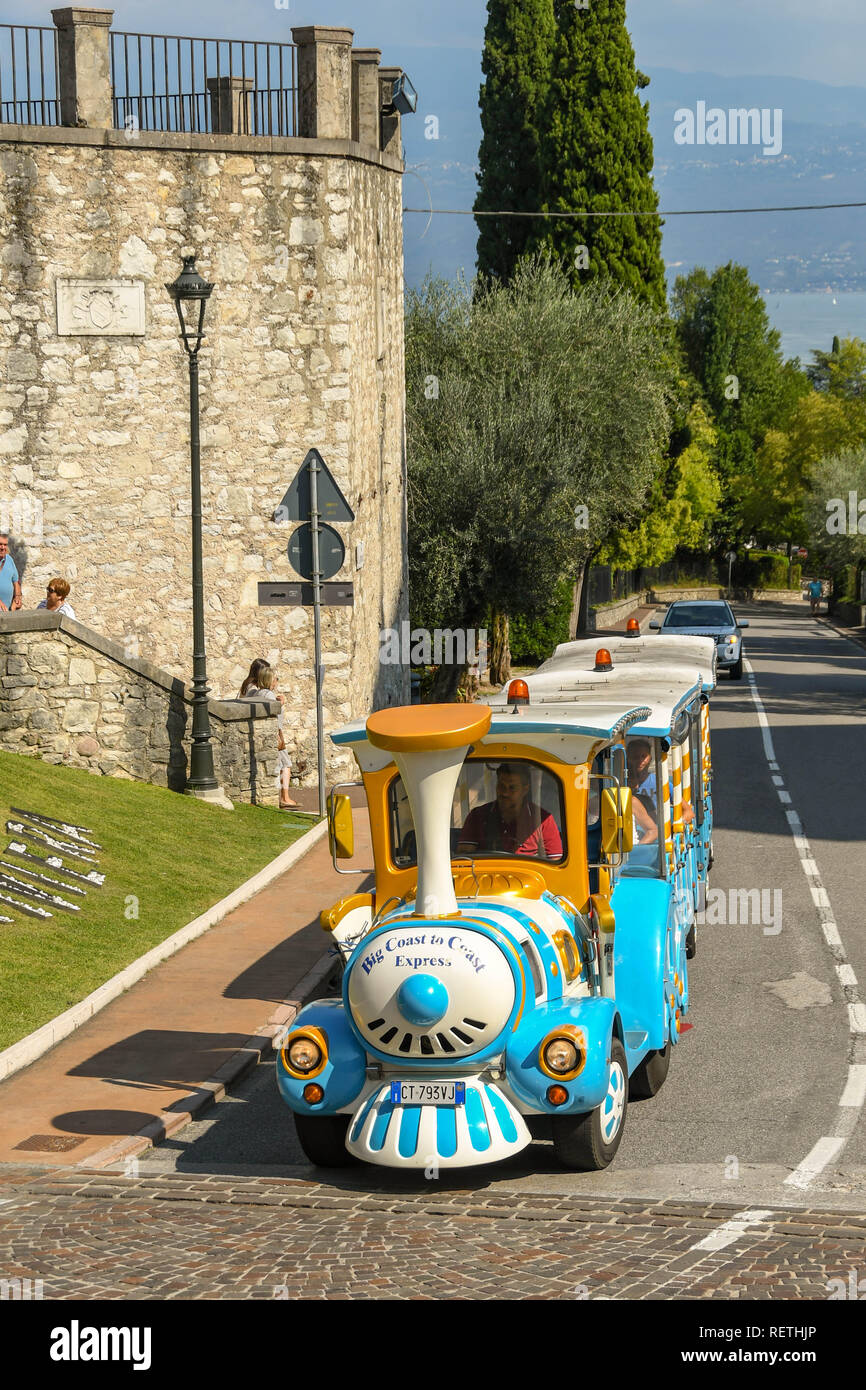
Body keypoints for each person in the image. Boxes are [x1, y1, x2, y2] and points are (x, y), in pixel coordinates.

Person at [457, 762, 562, 859]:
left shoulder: (543, 820)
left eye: (512, 787)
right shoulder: (477, 816)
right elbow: (464, 858)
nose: (505, 793)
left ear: (525, 789)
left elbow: (556, 862)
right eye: (501, 786)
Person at [239, 664, 298, 809]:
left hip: (264, 733)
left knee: (277, 764)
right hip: (276, 733)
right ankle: (285, 797)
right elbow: (273, 713)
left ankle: (282, 797)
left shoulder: (256, 693)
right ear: (270, 680)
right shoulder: (269, 695)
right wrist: (281, 703)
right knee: (286, 764)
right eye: (275, 679)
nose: (276, 681)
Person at [0, 533, 22, 613]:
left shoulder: (9, 559)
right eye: (0, 544)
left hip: (8, 611)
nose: (3, 547)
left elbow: (16, 582)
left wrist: (17, 597)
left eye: (5, 545)